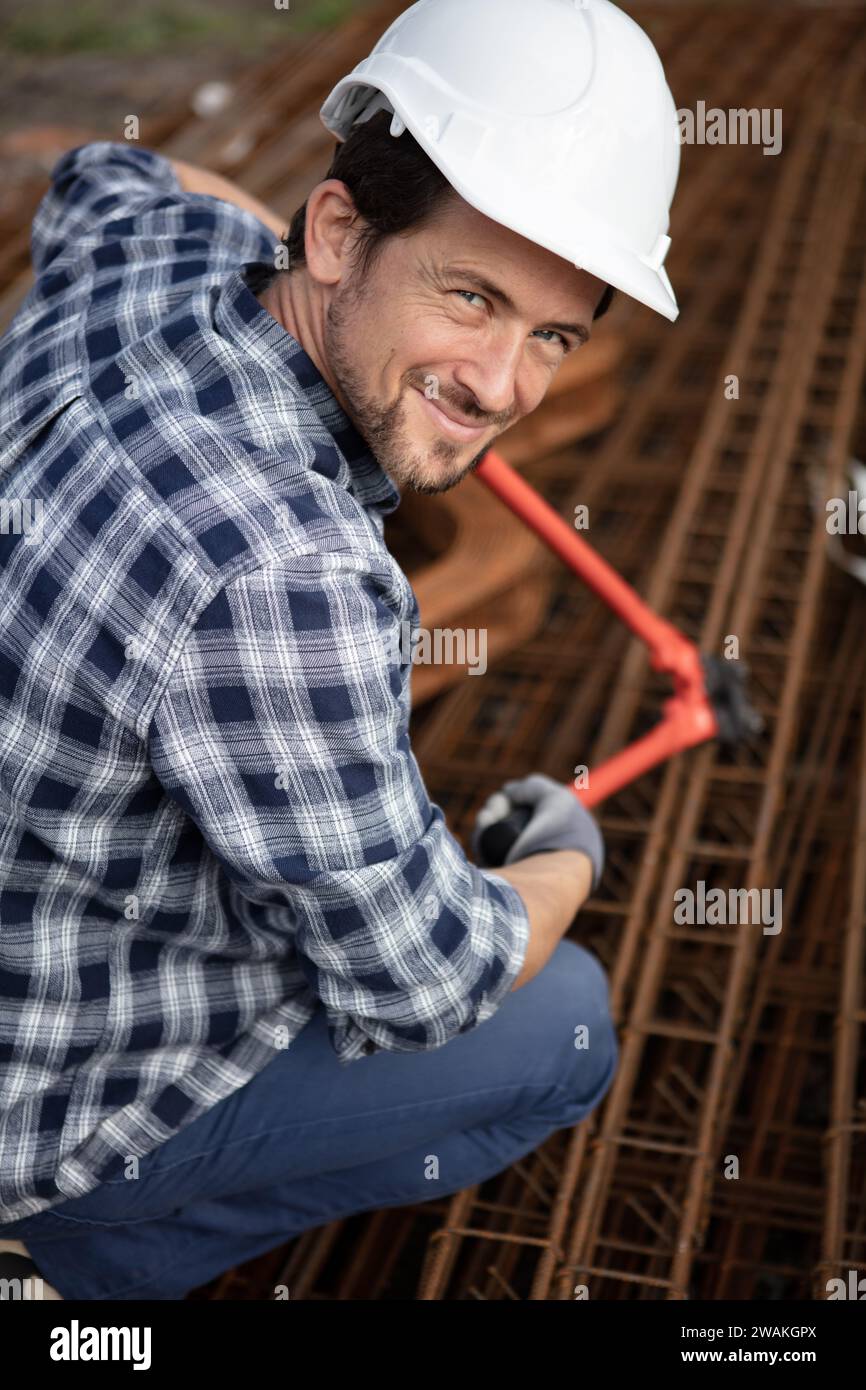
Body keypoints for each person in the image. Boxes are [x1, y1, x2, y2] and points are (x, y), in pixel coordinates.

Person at [0, 0, 679, 1299]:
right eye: (469, 296)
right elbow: (427, 978)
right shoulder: (289, 574)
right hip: (44, 1091)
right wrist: (560, 864)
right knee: (569, 1019)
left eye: (553, 333)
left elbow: (120, 170)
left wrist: (379, 299)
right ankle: (79, 1250)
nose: (498, 386)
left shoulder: (150, 259)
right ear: (335, 230)